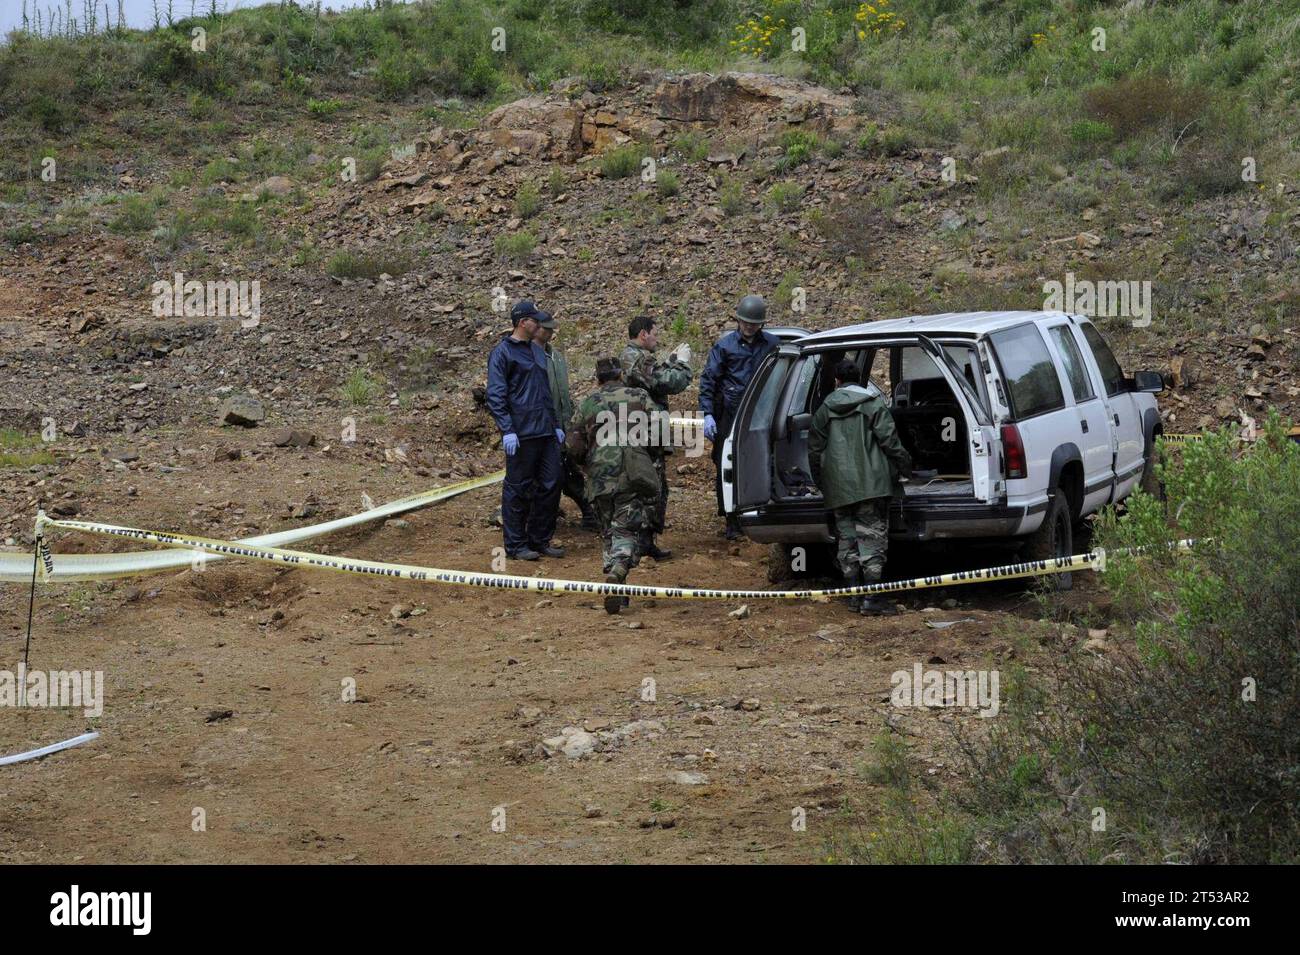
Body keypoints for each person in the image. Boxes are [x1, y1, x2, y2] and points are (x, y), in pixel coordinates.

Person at [807, 358, 912, 616]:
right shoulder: (872, 404)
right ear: (861, 381)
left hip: (838, 487)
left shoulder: (824, 410)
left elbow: (814, 450)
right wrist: (905, 467)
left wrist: (822, 482)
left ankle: (852, 595)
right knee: (872, 539)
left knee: (847, 539)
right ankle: (872, 598)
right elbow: (890, 441)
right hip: (872, 484)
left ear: (837, 382)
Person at [566, 357, 660, 615]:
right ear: (621, 375)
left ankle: (618, 587)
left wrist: (586, 460)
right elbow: (660, 430)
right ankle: (619, 570)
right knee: (627, 528)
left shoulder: (589, 402)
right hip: (632, 472)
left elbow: (573, 443)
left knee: (609, 529)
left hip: (599, 474)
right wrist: (649, 453)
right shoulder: (639, 396)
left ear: (598, 378)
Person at [485, 300, 565, 561]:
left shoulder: (536, 350)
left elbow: (545, 393)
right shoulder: (503, 353)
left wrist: (555, 425)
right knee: (518, 489)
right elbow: (496, 395)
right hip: (521, 434)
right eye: (535, 320)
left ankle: (540, 540)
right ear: (523, 323)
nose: (539, 325)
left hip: (544, 431)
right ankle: (516, 545)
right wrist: (507, 429)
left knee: (551, 484)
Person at [700, 294, 780, 539]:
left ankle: (759, 513)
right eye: (745, 322)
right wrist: (708, 414)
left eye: (753, 323)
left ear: (761, 324)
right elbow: (708, 381)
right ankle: (731, 519)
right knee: (727, 465)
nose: (749, 326)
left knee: (761, 462)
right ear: (738, 320)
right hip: (730, 415)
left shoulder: (772, 345)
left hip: (761, 415)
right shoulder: (724, 347)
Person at [620, 314, 692, 561]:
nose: (657, 338)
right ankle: (640, 542)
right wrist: (682, 364)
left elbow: (654, 379)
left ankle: (646, 541)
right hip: (645, 434)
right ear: (643, 334)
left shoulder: (635, 358)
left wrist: (668, 361)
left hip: (643, 431)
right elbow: (670, 382)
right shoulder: (637, 359)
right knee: (651, 488)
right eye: (655, 333)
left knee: (655, 487)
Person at [532, 311, 598, 531]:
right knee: (543, 477)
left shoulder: (556, 357)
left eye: (551, 328)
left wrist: (571, 421)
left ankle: (588, 514)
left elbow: (563, 394)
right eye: (546, 328)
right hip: (537, 428)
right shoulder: (527, 356)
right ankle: (535, 520)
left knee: (568, 471)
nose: (550, 332)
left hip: (561, 425)